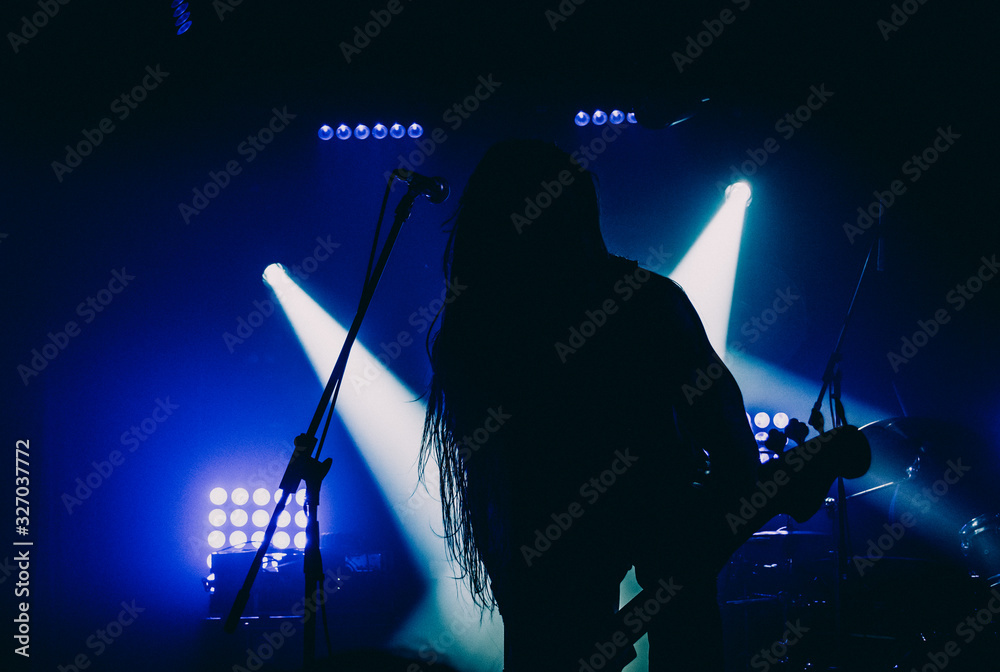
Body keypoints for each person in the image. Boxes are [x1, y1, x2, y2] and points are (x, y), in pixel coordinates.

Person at [419, 140, 760, 671]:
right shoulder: (649, 305)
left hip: (545, 584)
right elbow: (737, 457)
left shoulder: (479, 332)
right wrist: (690, 551)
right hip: (599, 568)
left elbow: (493, 497)